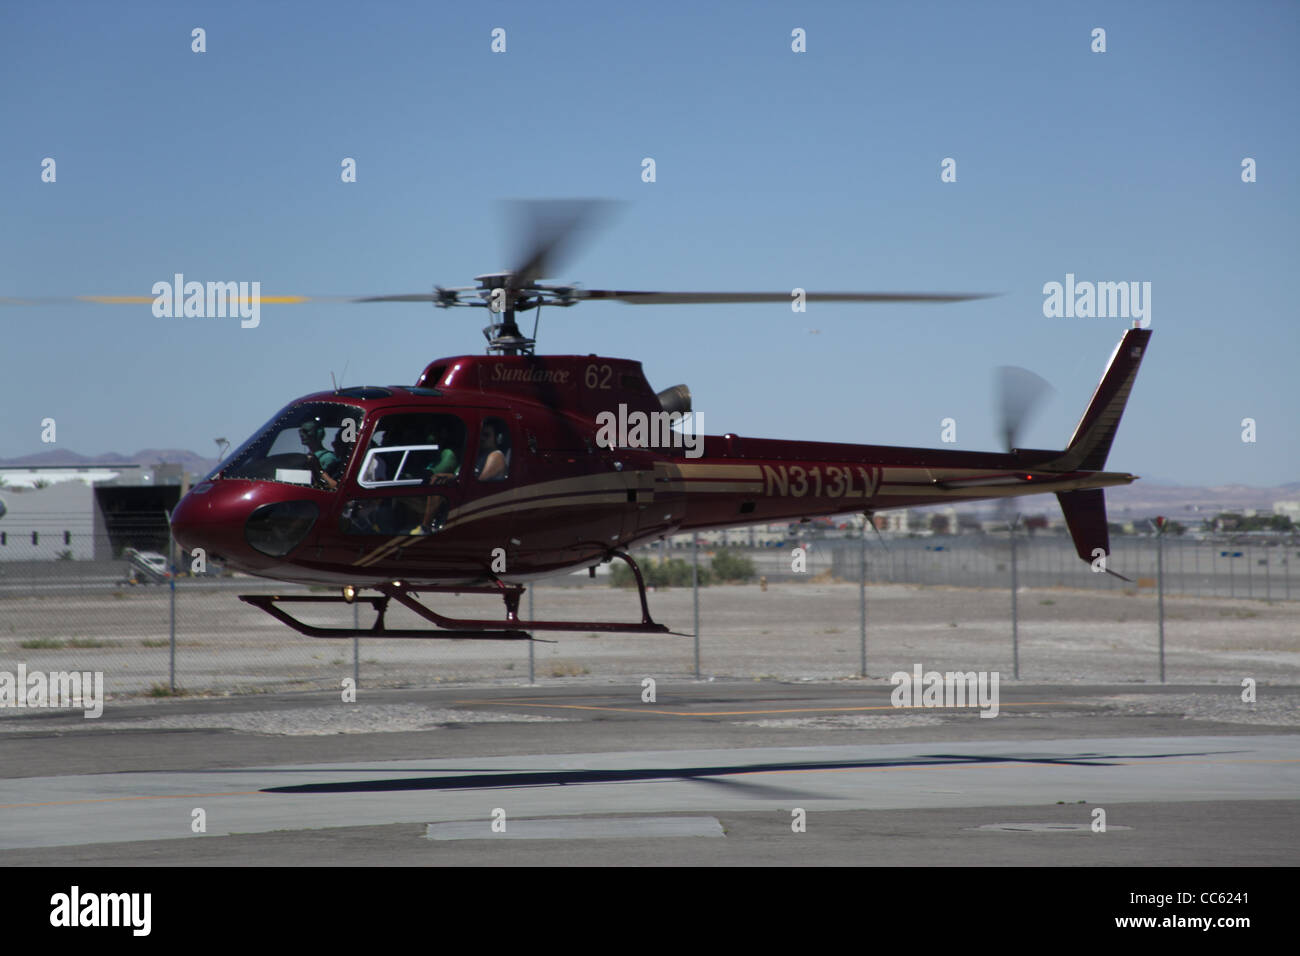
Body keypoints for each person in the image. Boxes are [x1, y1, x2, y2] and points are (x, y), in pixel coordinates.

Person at [298, 419, 340, 490]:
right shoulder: (308, 456)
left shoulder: (328, 458)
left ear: (318, 433)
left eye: (306, 431)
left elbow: (329, 485)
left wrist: (317, 468)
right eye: (300, 431)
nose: (301, 435)